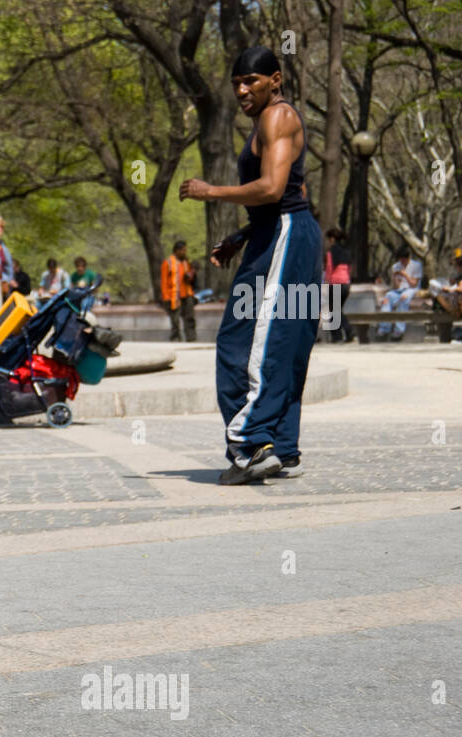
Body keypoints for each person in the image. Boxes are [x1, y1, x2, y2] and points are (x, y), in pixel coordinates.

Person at [183, 46, 321, 485]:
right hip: (283, 234)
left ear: (275, 80)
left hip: (285, 235)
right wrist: (242, 237)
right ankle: (280, 446)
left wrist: (210, 192)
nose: (242, 90)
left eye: (252, 82)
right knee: (284, 343)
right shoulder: (272, 120)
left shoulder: (277, 117)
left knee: (247, 343)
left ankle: (251, 443)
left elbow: (271, 187)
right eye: (237, 83)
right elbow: (288, 194)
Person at [375, 246, 422, 341]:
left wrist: (405, 275)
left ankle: (399, 329)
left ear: (408, 258)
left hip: (411, 289)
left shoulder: (416, 265)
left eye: (404, 260)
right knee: (387, 298)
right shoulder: (396, 266)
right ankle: (384, 328)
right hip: (399, 289)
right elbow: (396, 287)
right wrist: (395, 278)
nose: (402, 262)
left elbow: (414, 284)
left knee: (404, 298)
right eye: (400, 260)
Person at [160, 240, 197, 342]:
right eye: (183, 250)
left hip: (187, 294)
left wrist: (192, 274)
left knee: (190, 317)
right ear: (177, 250)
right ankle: (176, 339)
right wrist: (165, 297)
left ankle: (191, 339)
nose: (185, 252)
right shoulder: (167, 263)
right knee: (175, 320)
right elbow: (163, 281)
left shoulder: (186, 262)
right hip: (174, 296)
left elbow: (190, 278)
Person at [324, 226, 354, 343]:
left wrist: (326, 280)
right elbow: (349, 268)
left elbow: (329, 267)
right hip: (346, 284)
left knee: (334, 310)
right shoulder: (346, 251)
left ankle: (343, 333)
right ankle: (340, 335)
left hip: (335, 283)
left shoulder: (331, 252)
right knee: (337, 309)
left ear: (332, 239)